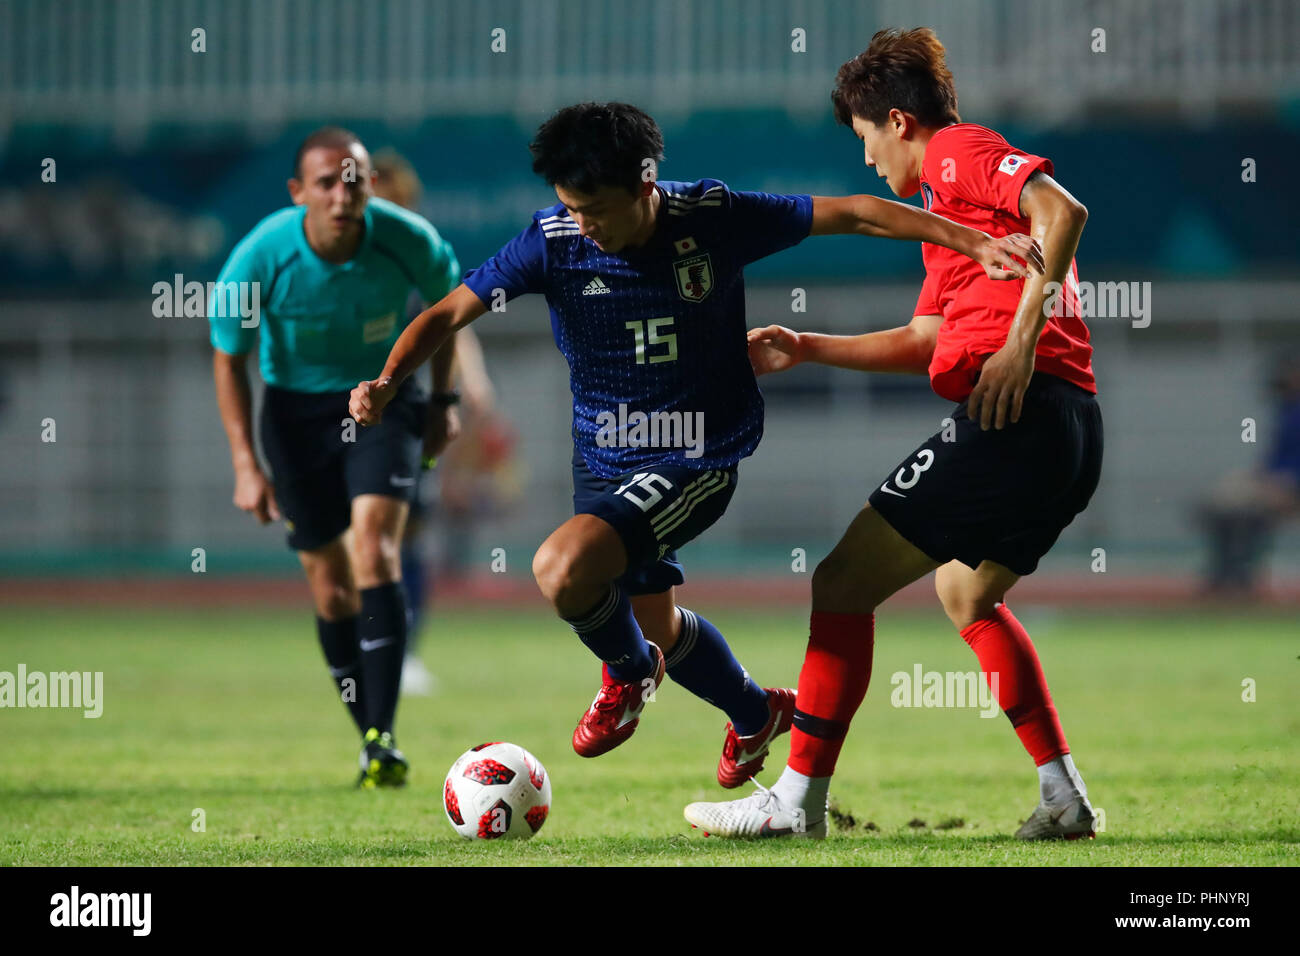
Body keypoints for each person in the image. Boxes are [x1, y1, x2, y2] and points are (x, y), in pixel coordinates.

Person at [349, 102, 1041, 789]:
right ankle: (754, 713)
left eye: (597, 209)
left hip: (696, 455)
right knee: (652, 616)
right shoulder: (551, 241)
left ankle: (627, 673)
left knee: (562, 570)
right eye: (571, 206)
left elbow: (857, 211)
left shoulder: (713, 217)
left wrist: (972, 242)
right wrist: (384, 382)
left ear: (645, 187)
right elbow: (444, 313)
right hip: (601, 454)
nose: (583, 225)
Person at [685, 28, 1101, 839]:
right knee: (965, 591)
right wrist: (808, 348)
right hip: (1070, 427)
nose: (869, 160)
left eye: (866, 138)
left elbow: (1063, 210)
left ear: (899, 122)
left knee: (839, 583)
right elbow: (924, 342)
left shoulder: (955, 152)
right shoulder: (950, 218)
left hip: (1017, 411)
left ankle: (795, 802)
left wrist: (1020, 339)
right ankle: (1063, 794)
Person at [210, 127, 462, 787]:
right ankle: (370, 739)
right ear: (300, 193)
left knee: (375, 548)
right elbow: (229, 356)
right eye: (326, 182)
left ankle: (385, 734)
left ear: (369, 184)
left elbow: (449, 310)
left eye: (353, 178)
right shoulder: (260, 255)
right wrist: (244, 462)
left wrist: (443, 402)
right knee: (330, 587)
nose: (341, 193)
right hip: (295, 417)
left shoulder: (408, 238)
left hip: (381, 401)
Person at [370, 148, 503, 696]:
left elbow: (450, 319)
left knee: (409, 531)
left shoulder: (416, 251)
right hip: (346, 406)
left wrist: (471, 379)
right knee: (357, 537)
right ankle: (366, 647)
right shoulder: (342, 256)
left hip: (405, 410)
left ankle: (403, 653)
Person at [1198, 351, 1300, 594]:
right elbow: (1275, 459)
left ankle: (1239, 575)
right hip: (1276, 482)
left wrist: (1288, 483)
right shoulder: (1287, 408)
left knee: (1246, 507)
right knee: (1222, 500)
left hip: (1290, 486)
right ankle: (1226, 573)